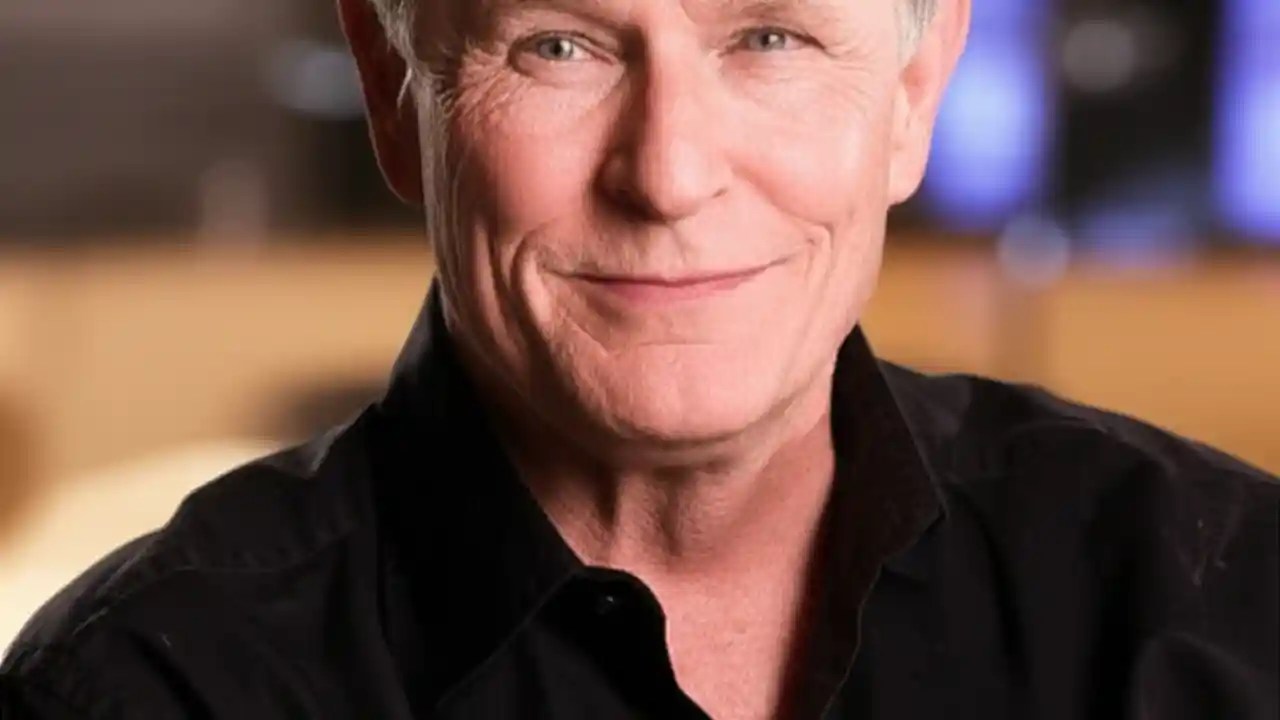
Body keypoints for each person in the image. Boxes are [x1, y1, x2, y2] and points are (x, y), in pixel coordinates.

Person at [2, 0, 1276, 717]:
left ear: (911, 91)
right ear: (396, 90)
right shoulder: (151, 688)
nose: (666, 174)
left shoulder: (1224, 603)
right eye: (559, 45)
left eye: (768, 39)